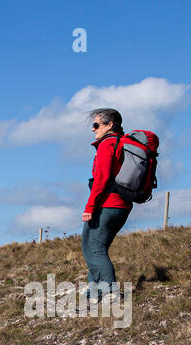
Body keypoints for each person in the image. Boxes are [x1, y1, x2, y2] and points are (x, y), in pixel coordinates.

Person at [81, 108, 132, 304]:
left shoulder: (108, 145)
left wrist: (90, 206)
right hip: (123, 205)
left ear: (110, 125)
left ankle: (109, 293)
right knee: (97, 249)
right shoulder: (124, 144)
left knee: (93, 249)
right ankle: (93, 295)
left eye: (96, 125)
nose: (93, 129)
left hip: (107, 203)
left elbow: (101, 178)